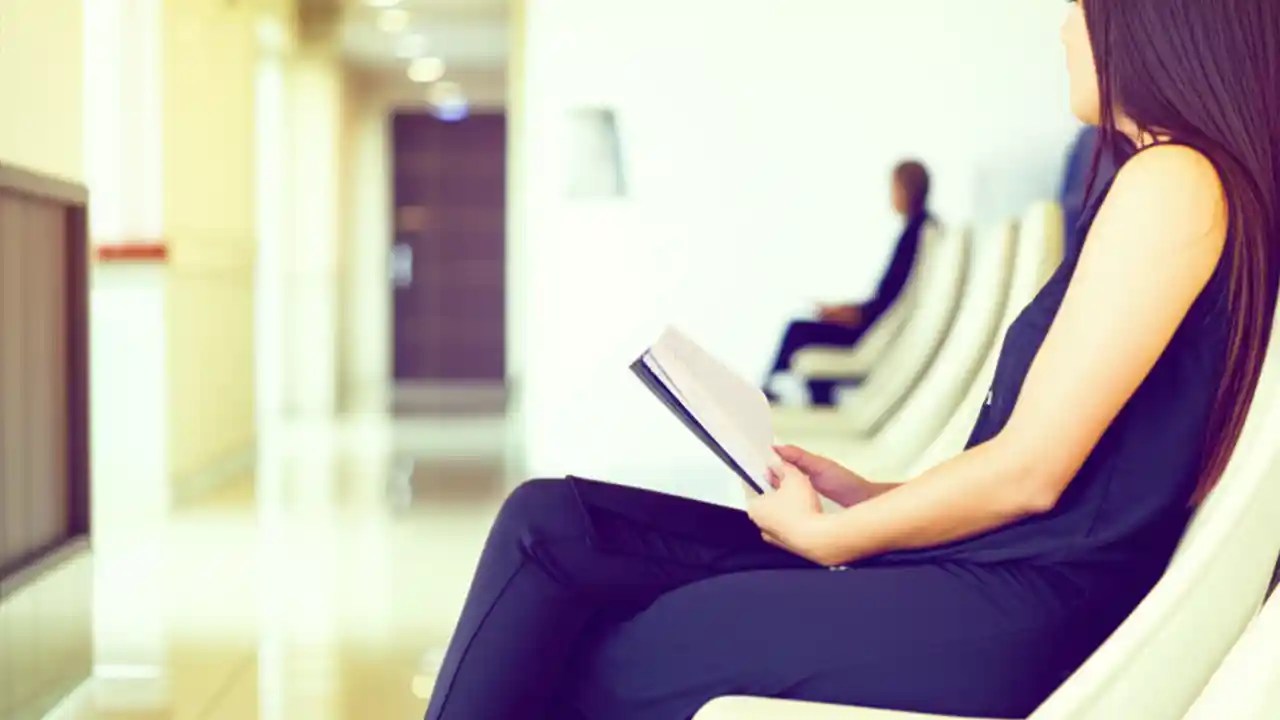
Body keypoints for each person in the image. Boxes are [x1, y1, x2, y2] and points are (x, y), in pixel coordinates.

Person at [424, 1, 1280, 718]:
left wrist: (840, 536)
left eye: (1082, 4)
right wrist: (873, 499)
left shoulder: (1174, 184)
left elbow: (1033, 476)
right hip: (994, 573)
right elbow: (1063, 471)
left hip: (1018, 606)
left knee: (621, 648)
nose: (1064, 29)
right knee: (554, 527)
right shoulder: (1168, 185)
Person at [764, 160, 933, 406]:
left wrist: (853, 314)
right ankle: (780, 392)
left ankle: (767, 390)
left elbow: (888, 298)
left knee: (796, 329)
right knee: (801, 330)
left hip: (868, 329)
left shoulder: (913, 237)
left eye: (894, 188)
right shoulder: (921, 231)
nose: (892, 196)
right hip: (874, 323)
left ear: (907, 189)